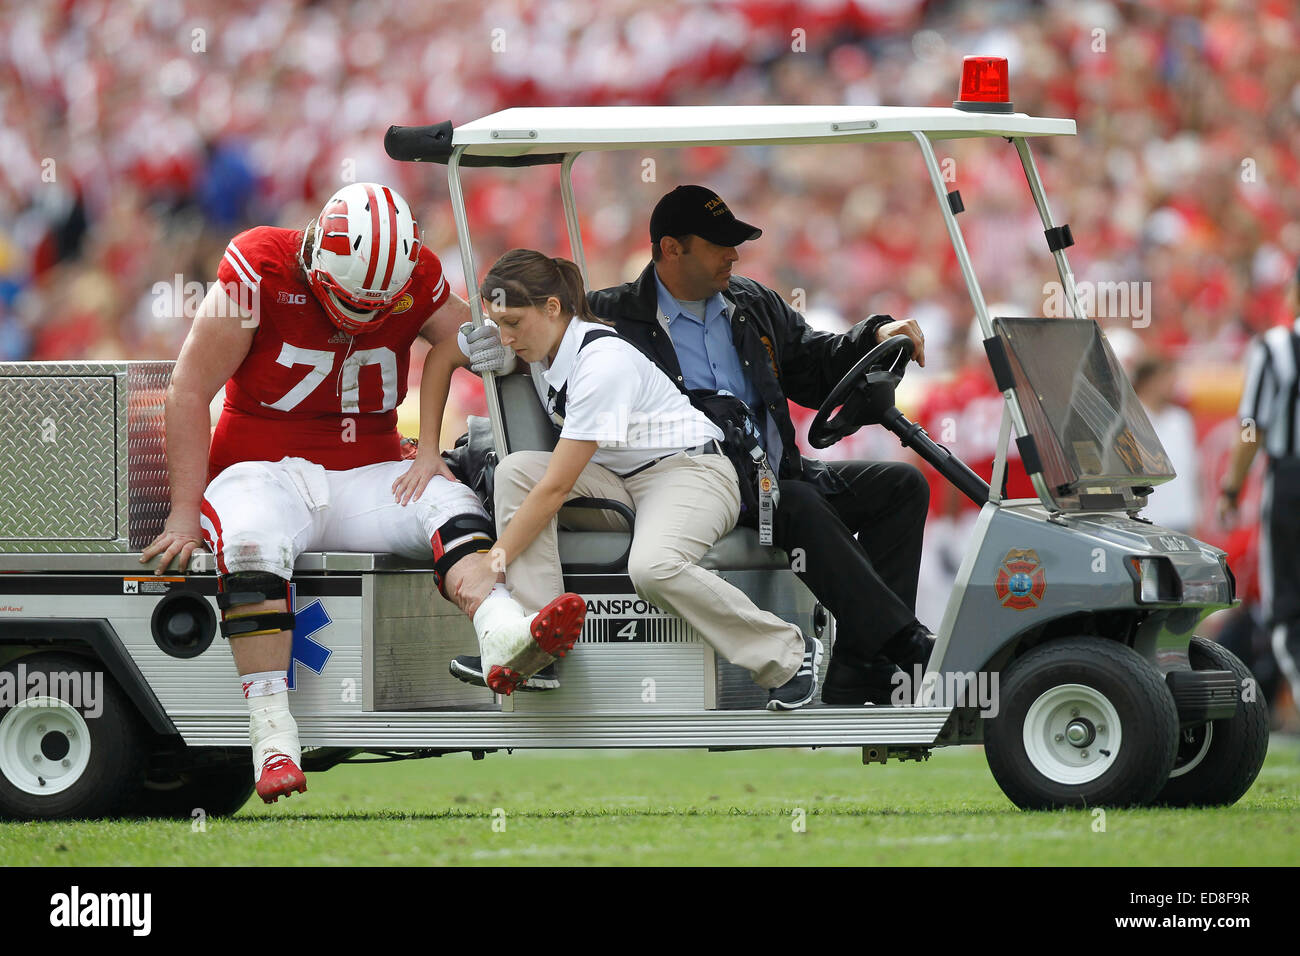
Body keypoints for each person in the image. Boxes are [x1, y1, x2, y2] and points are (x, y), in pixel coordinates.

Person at [140, 183, 585, 804]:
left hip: (370, 467)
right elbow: (188, 390)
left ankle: (502, 631)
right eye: (350, 301)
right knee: (250, 539)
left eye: (381, 305)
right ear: (317, 255)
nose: (365, 317)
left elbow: (477, 338)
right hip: (262, 469)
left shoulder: (417, 277)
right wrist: (184, 511)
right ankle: (271, 734)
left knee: (452, 503)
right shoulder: (259, 266)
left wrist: (496, 345)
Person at [466, 186, 932, 706]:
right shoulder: (612, 316)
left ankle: (864, 663)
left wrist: (872, 337)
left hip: (755, 470)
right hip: (707, 475)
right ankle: (903, 645)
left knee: (901, 485)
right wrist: (492, 346)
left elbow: (814, 362)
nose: (733, 255)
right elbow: (539, 334)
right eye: (718, 244)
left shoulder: (751, 302)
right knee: (797, 504)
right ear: (672, 248)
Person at [448, 249, 822, 709]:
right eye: (497, 325)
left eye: (513, 324)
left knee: (653, 566)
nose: (504, 339)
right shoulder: (546, 349)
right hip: (627, 481)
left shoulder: (601, 362)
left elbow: (558, 488)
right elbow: (475, 358)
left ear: (552, 308)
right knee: (515, 471)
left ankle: (788, 653)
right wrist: (483, 353)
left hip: (693, 472)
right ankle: (533, 650)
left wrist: (493, 562)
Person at [1219, 264, 1300, 717]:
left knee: (1287, 603)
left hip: (1291, 479)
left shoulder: (1277, 346)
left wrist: (1231, 487)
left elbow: (1252, 426)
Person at [1133, 354, 1199, 533]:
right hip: (1146, 521)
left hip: (1182, 520)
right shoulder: (1128, 420)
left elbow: (1192, 472)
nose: (1173, 384)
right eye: (1167, 378)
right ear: (1148, 381)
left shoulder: (1181, 420)